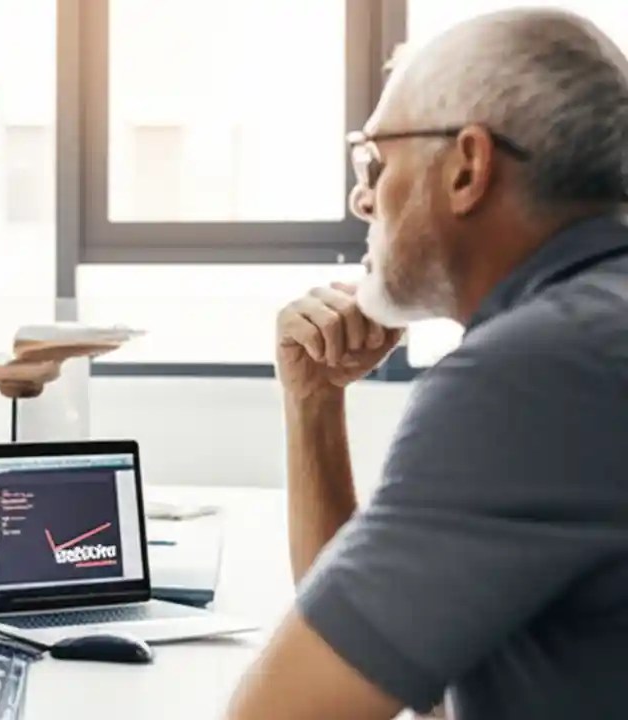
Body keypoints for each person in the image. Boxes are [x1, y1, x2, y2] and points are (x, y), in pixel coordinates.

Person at [226, 8, 628, 720]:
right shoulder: (592, 336)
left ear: (467, 167)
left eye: (374, 162)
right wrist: (313, 401)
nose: (362, 196)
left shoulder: (531, 378)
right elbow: (400, 670)